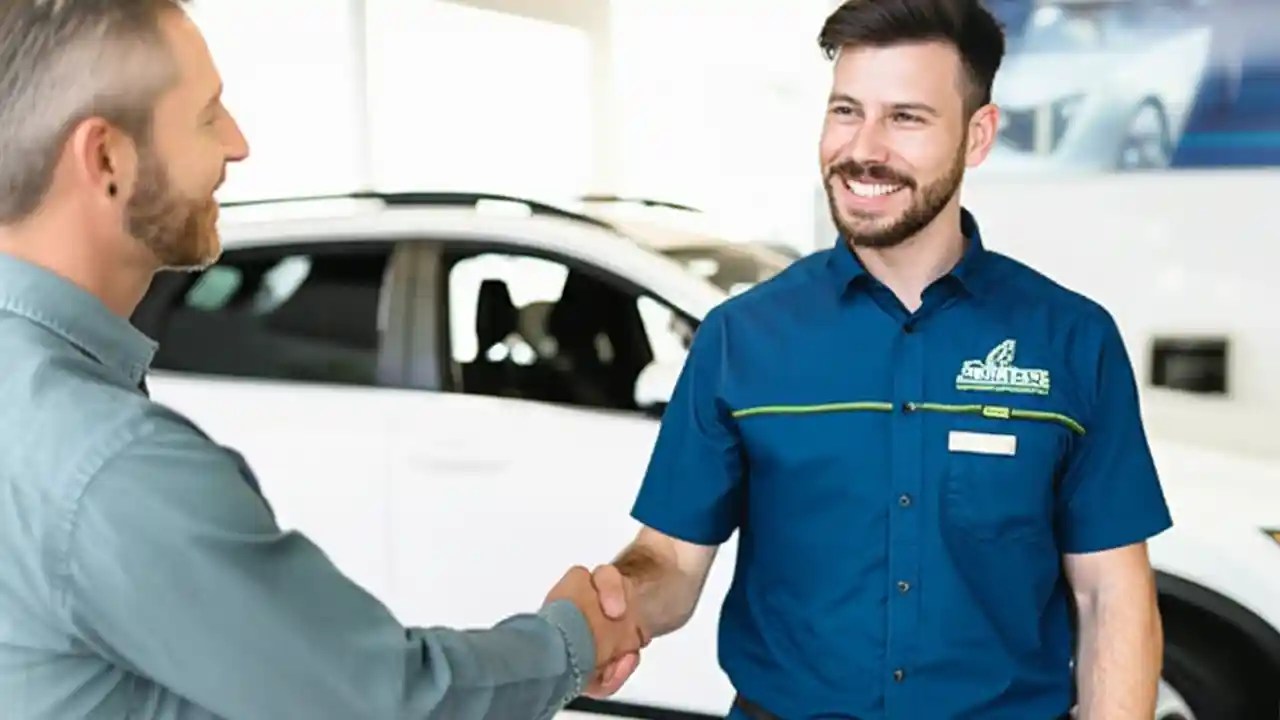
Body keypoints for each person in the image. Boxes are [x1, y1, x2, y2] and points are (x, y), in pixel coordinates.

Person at [0, 2, 645, 718]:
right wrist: (571, 639)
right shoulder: (110, 464)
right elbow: (382, 702)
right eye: (209, 114)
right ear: (108, 159)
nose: (238, 144)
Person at [583, 0, 1174, 717]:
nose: (864, 148)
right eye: (846, 111)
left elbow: (1109, 594)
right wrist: (612, 609)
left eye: (906, 117)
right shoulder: (742, 339)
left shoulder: (1071, 340)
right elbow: (672, 561)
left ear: (977, 135)